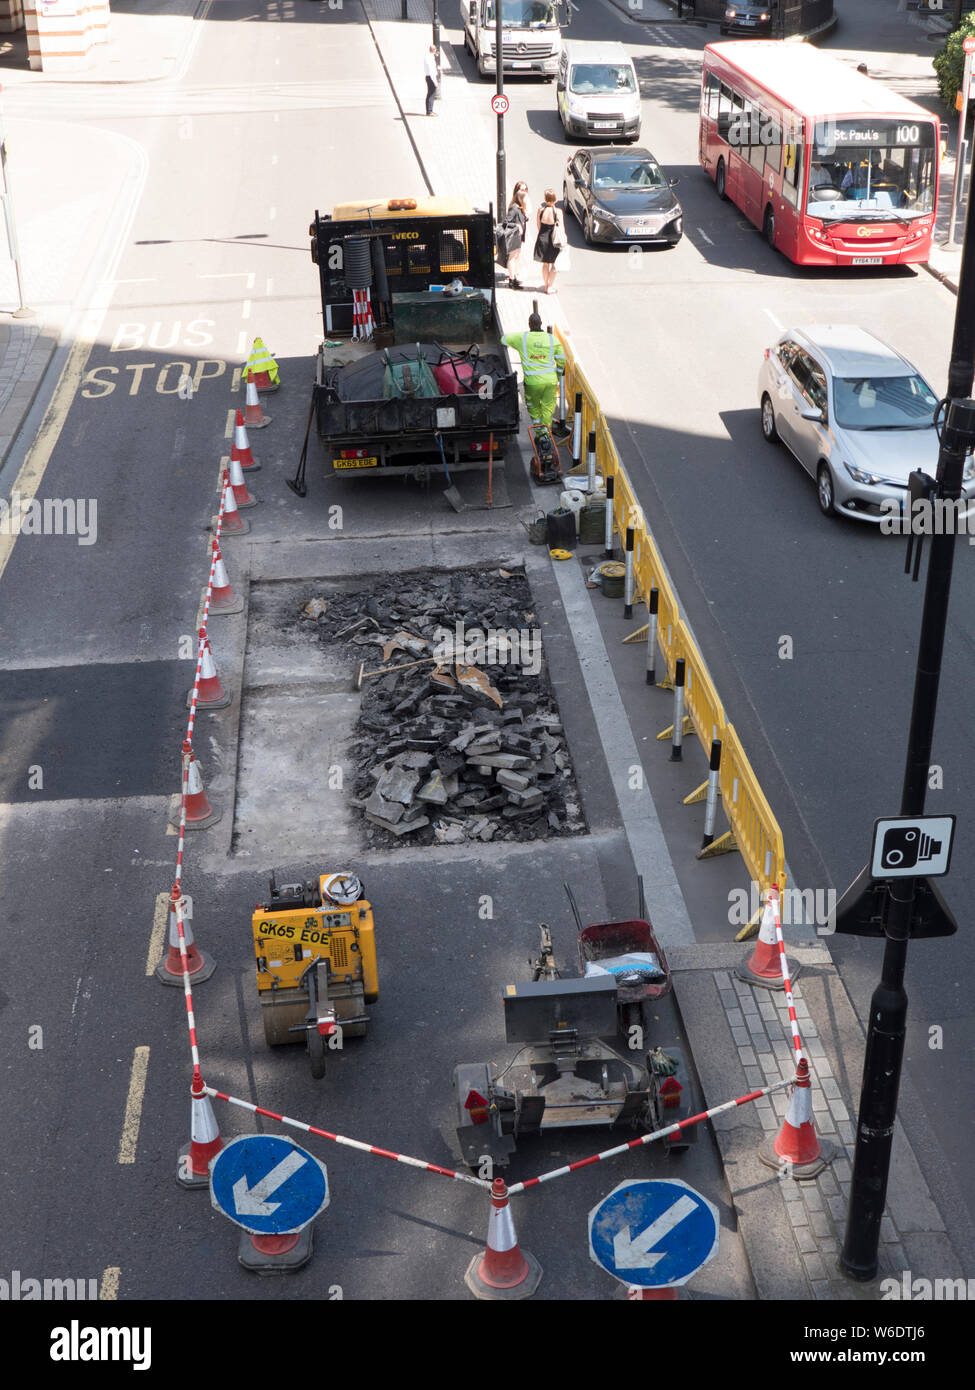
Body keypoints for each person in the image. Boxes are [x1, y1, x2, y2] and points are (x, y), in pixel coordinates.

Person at [503, 312, 566, 428]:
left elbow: (504, 339)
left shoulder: (522, 338)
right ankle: (546, 433)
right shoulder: (553, 340)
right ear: (541, 324)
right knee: (548, 407)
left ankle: (540, 433)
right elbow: (562, 361)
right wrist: (557, 376)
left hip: (532, 383)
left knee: (533, 406)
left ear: (529, 324)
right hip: (550, 381)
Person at [533, 189, 565, 295]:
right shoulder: (558, 212)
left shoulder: (540, 210)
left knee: (545, 264)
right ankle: (550, 286)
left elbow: (538, 225)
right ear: (555, 199)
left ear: (545, 199)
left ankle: (546, 284)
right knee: (554, 265)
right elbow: (561, 229)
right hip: (553, 240)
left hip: (542, 238)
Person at [504, 182, 531, 289]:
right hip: (514, 235)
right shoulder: (514, 208)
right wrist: (516, 225)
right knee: (512, 257)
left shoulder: (520, 207)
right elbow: (506, 222)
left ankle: (514, 277)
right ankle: (512, 281)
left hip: (518, 236)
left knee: (516, 255)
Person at [424, 45, 439, 116]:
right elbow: (432, 71)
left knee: (429, 93)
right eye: (435, 50)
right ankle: (429, 111)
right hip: (431, 78)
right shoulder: (430, 58)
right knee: (431, 94)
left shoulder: (427, 57)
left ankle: (429, 110)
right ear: (434, 50)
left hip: (428, 77)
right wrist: (435, 81)